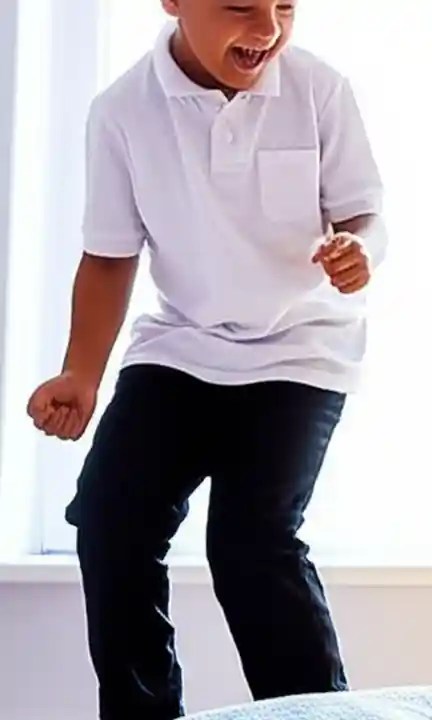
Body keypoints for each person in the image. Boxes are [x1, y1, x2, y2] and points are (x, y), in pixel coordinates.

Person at [25, 0, 385, 717]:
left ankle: (317, 715)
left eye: (285, 6)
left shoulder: (319, 88)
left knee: (252, 543)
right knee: (110, 519)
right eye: (241, 7)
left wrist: (359, 249)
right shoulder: (122, 110)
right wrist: (80, 373)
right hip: (183, 343)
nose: (268, 28)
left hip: (300, 348)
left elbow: (362, 211)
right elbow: (109, 256)